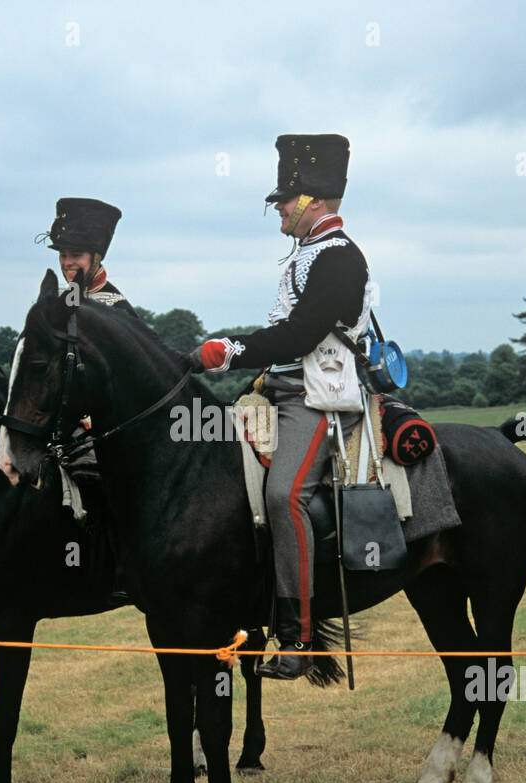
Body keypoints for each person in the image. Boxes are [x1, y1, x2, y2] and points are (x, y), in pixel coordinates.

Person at [189, 134, 372, 680]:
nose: (278, 210)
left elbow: (299, 335)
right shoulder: (309, 252)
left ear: (313, 200)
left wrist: (228, 351)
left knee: (283, 493)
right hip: (282, 391)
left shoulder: (339, 258)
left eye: (284, 200)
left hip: (317, 398)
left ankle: (297, 635)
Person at [41, 198, 138, 319]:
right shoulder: (59, 303)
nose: (67, 263)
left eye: (76, 255)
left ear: (96, 258)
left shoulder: (117, 310)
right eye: (63, 255)